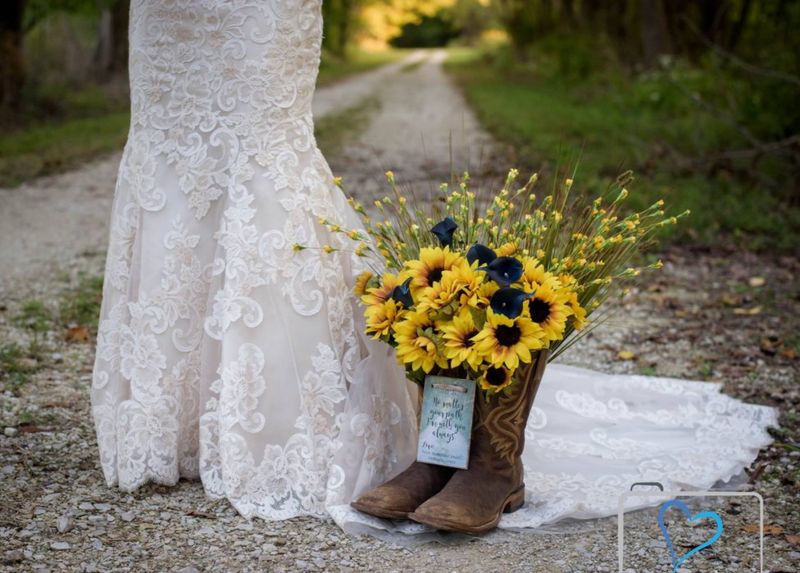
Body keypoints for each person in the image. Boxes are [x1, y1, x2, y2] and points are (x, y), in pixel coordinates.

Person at [91, 0, 776, 537]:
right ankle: (179, 417)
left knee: (265, 153)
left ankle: (459, 449)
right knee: (167, 156)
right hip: (169, 14)